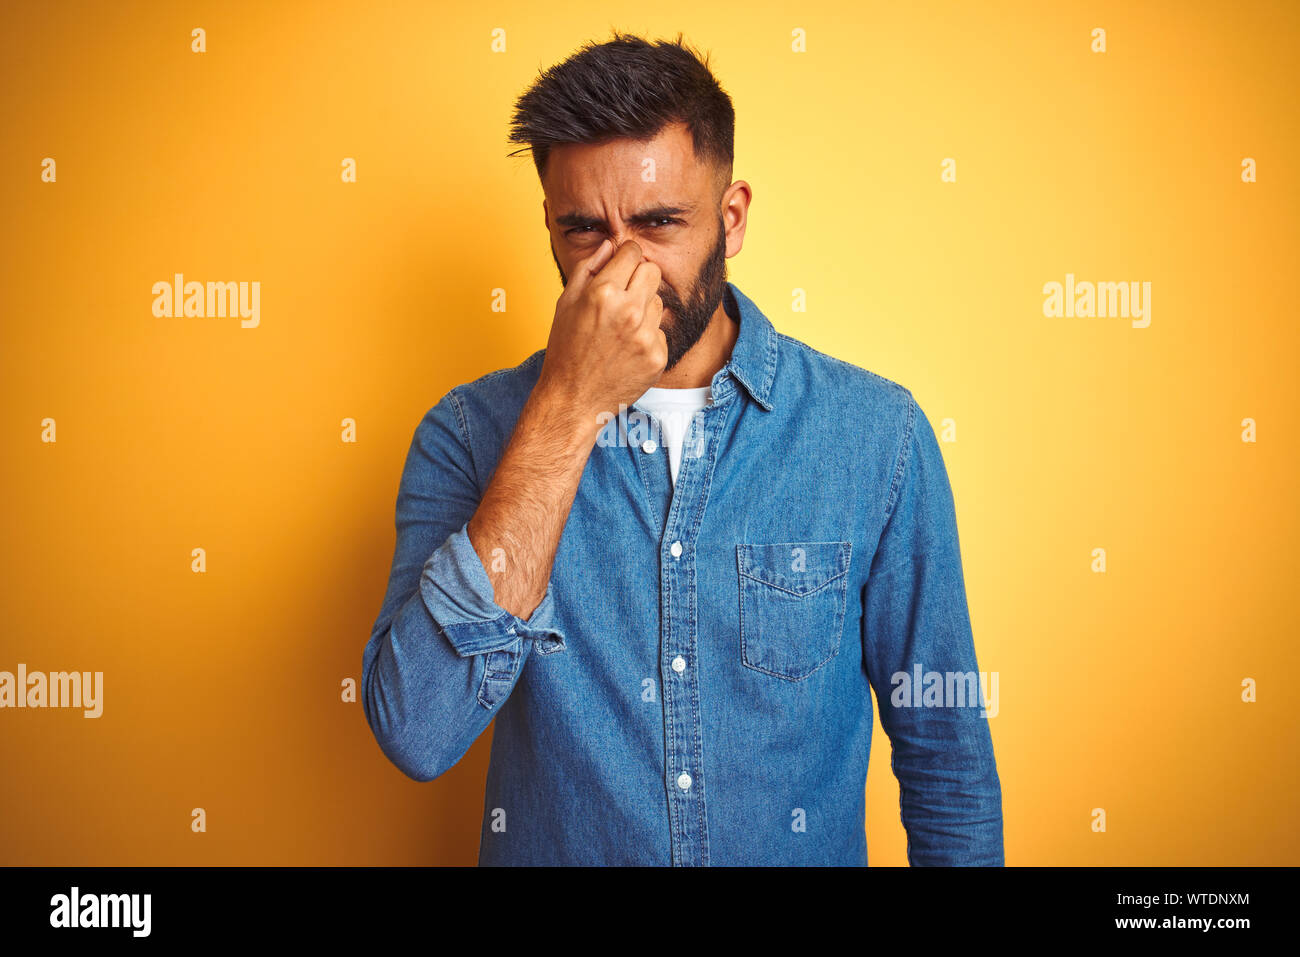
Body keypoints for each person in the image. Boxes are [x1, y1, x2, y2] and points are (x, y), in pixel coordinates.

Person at [361, 31, 1004, 866]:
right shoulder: (468, 435)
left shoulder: (876, 437)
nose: (623, 267)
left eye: (660, 222)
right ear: (550, 229)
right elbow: (417, 731)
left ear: (731, 220)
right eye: (583, 230)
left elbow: (945, 756)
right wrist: (567, 408)